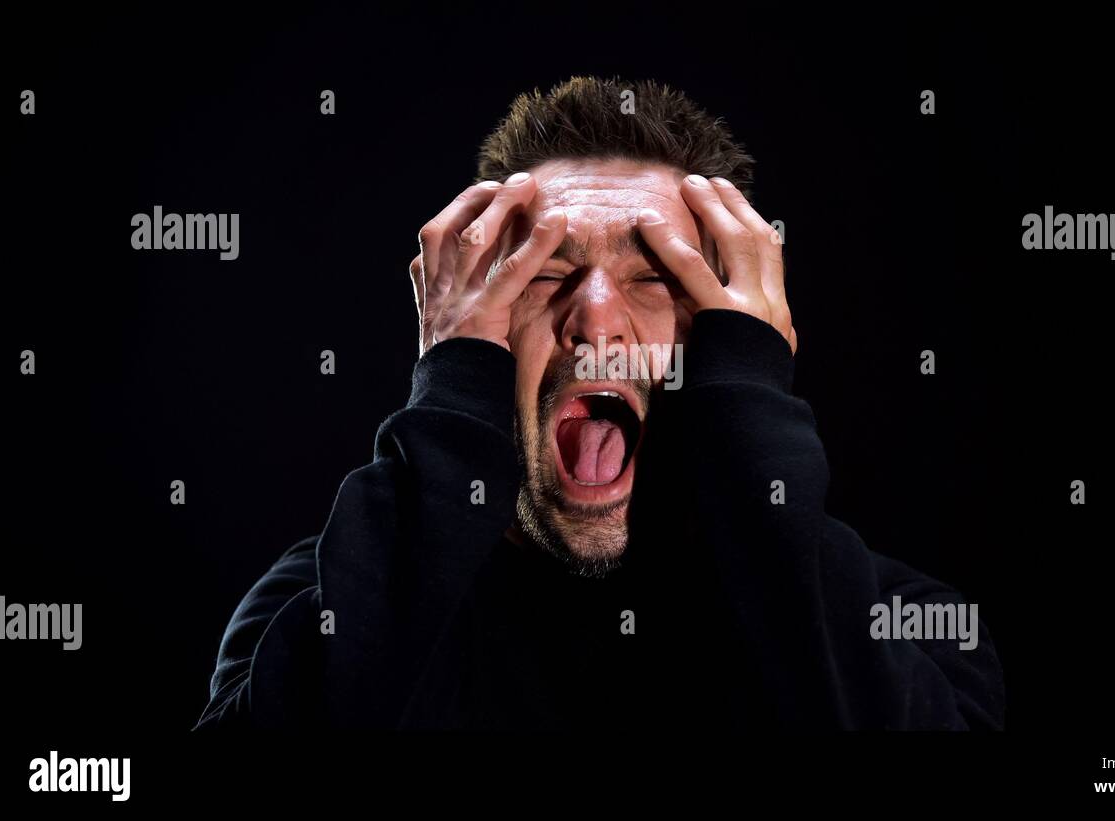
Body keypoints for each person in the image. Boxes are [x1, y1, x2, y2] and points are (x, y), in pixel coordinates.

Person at [196, 76, 1004, 731]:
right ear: (468, 325)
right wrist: (446, 402)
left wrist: (752, 411)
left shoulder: (896, 620)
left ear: (741, 331)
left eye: (657, 274)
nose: (593, 319)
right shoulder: (319, 603)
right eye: (543, 273)